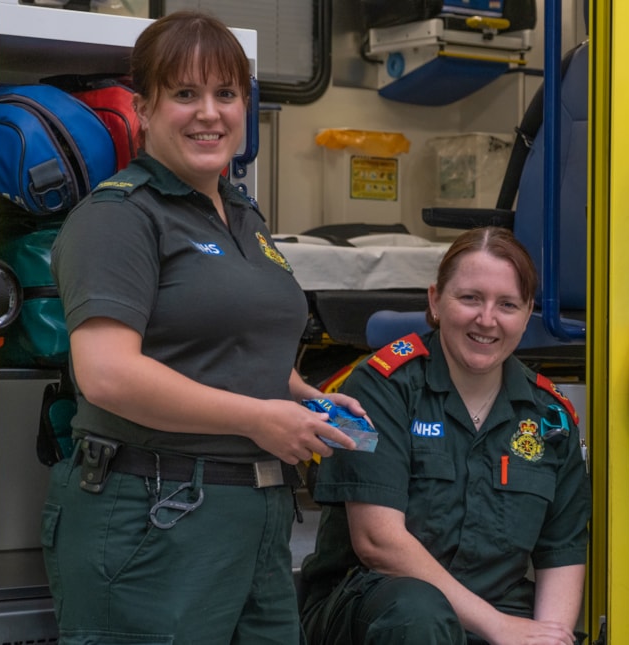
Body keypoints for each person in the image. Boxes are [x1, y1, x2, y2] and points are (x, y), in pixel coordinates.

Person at [41, 11, 364, 644]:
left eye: (225, 94)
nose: (208, 113)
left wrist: (299, 393)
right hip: (154, 516)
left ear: (246, 106)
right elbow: (107, 375)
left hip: (256, 516)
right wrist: (257, 417)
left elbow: (229, 340)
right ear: (144, 108)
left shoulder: (243, 214)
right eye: (184, 94)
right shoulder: (118, 218)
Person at [299, 226, 592, 645]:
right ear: (436, 301)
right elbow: (376, 542)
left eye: (507, 304)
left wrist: (551, 636)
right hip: (377, 610)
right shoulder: (372, 386)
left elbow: (561, 550)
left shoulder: (552, 417)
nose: (486, 319)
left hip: (498, 612)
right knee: (420, 614)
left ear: (528, 315)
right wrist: (499, 627)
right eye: (470, 298)